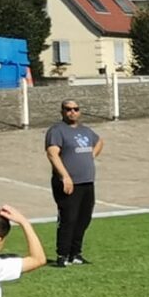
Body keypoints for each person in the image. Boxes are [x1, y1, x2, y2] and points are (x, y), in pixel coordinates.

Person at [44, 98, 103, 266]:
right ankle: (62, 255)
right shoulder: (57, 131)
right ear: (62, 111)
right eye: (68, 109)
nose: (72, 112)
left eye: (75, 109)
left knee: (84, 219)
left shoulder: (85, 131)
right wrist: (65, 176)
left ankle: (75, 253)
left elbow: (99, 142)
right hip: (68, 183)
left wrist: (91, 156)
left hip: (87, 182)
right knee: (68, 218)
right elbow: (52, 154)